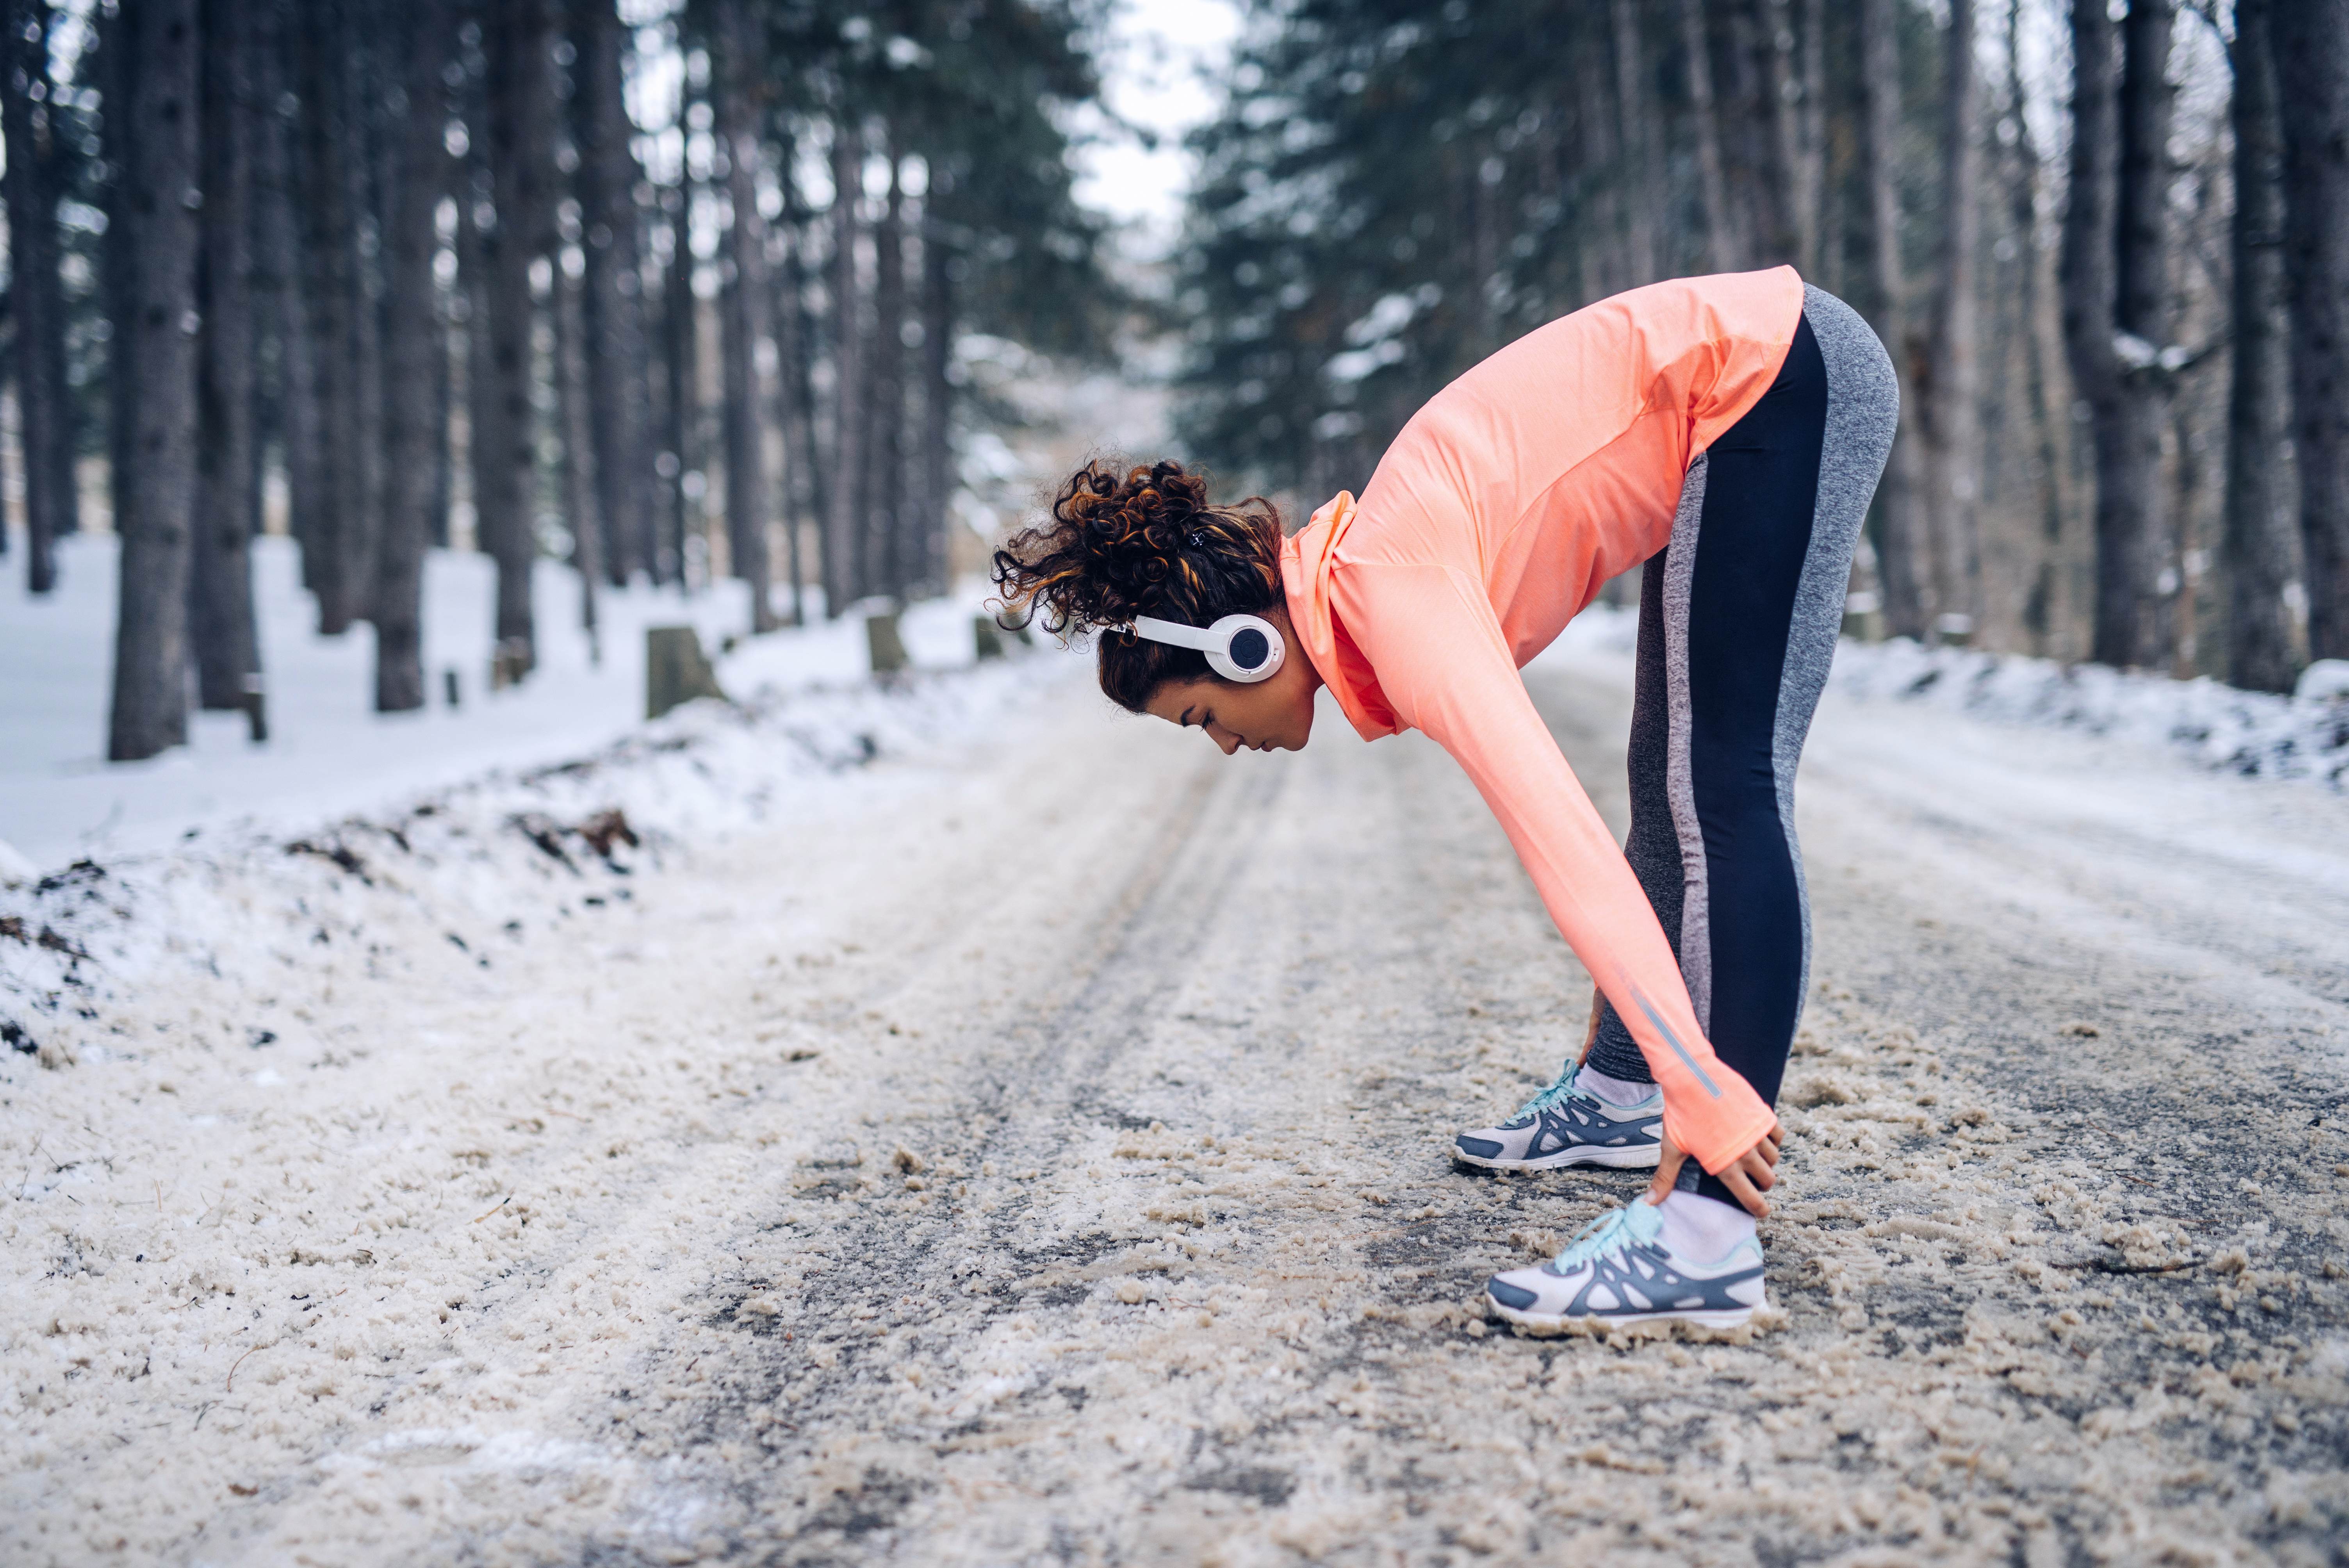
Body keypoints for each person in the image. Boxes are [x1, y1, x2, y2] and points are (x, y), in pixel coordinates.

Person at [991, 266, 1897, 1333]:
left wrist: (1699, 1079)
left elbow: (1561, 846)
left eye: (1203, 719)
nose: (1227, 747)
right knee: (1673, 785)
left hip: (1774, 374)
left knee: (1720, 786)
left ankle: (1706, 1233)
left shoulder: (1398, 595)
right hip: (1753, 383)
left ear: (1242, 646)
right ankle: (1617, 1100)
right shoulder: (1374, 578)